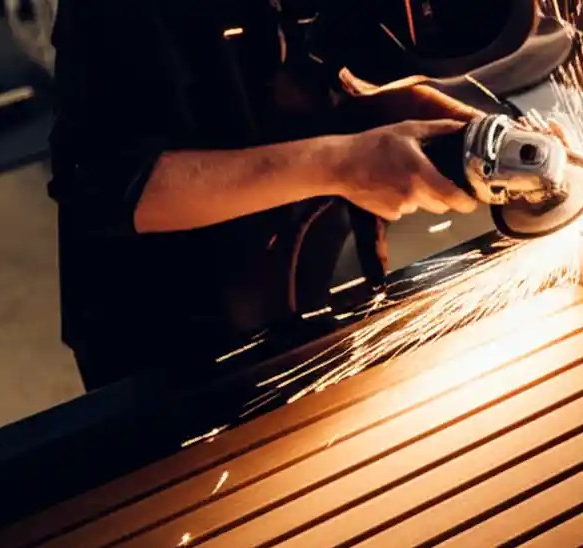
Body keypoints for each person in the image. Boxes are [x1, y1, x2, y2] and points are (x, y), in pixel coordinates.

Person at [49, 0, 523, 389]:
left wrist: (429, 120)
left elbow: (302, 86)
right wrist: (343, 163)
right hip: (174, 337)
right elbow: (108, 185)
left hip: (319, 289)